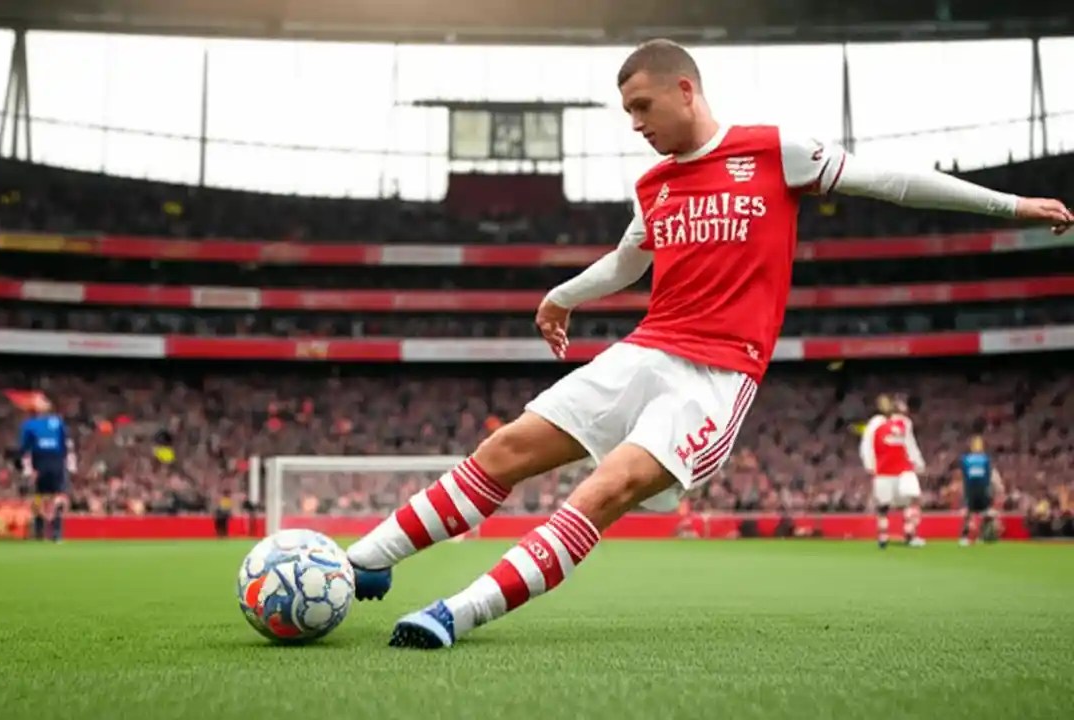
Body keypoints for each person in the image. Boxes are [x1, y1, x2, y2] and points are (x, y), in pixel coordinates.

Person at [343, 38, 1073, 650]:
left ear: (685, 91)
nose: (634, 124)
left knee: (607, 488)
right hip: (642, 351)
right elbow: (630, 261)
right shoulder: (654, 182)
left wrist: (1011, 205)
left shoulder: (774, 150)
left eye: (642, 107)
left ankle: (457, 612)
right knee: (503, 452)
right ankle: (363, 562)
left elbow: (894, 182)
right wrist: (562, 295)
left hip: (715, 379)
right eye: (627, 111)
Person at [860, 394, 927, 549]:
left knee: (912, 500)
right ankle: (883, 537)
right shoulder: (874, 424)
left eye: (887, 402)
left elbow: (910, 444)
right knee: (883, 506)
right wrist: (869, 464)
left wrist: (918, 462)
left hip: (904, 469)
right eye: (881, 403)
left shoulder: (904, 423)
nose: (885, 405)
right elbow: (867, 445)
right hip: (883, 471)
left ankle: (910, 536)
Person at [18, 396, 75, 542]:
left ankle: (39, 531)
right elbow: (66, 444)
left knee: (39, 495)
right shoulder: (58, 422)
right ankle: (56, 532)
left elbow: (24, 447)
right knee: (58, 495)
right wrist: (68, 463)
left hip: (40, 461)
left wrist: (26, 467)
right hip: (56, 461)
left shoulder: (29, 425)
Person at [957, 435, 1003, 545]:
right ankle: (974, 536)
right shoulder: (984, 460)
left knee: (974, 514)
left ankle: (973, 536)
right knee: (975, 514)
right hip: (980, 492)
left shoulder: (967, 460)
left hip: (975, 492)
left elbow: (964, 478)